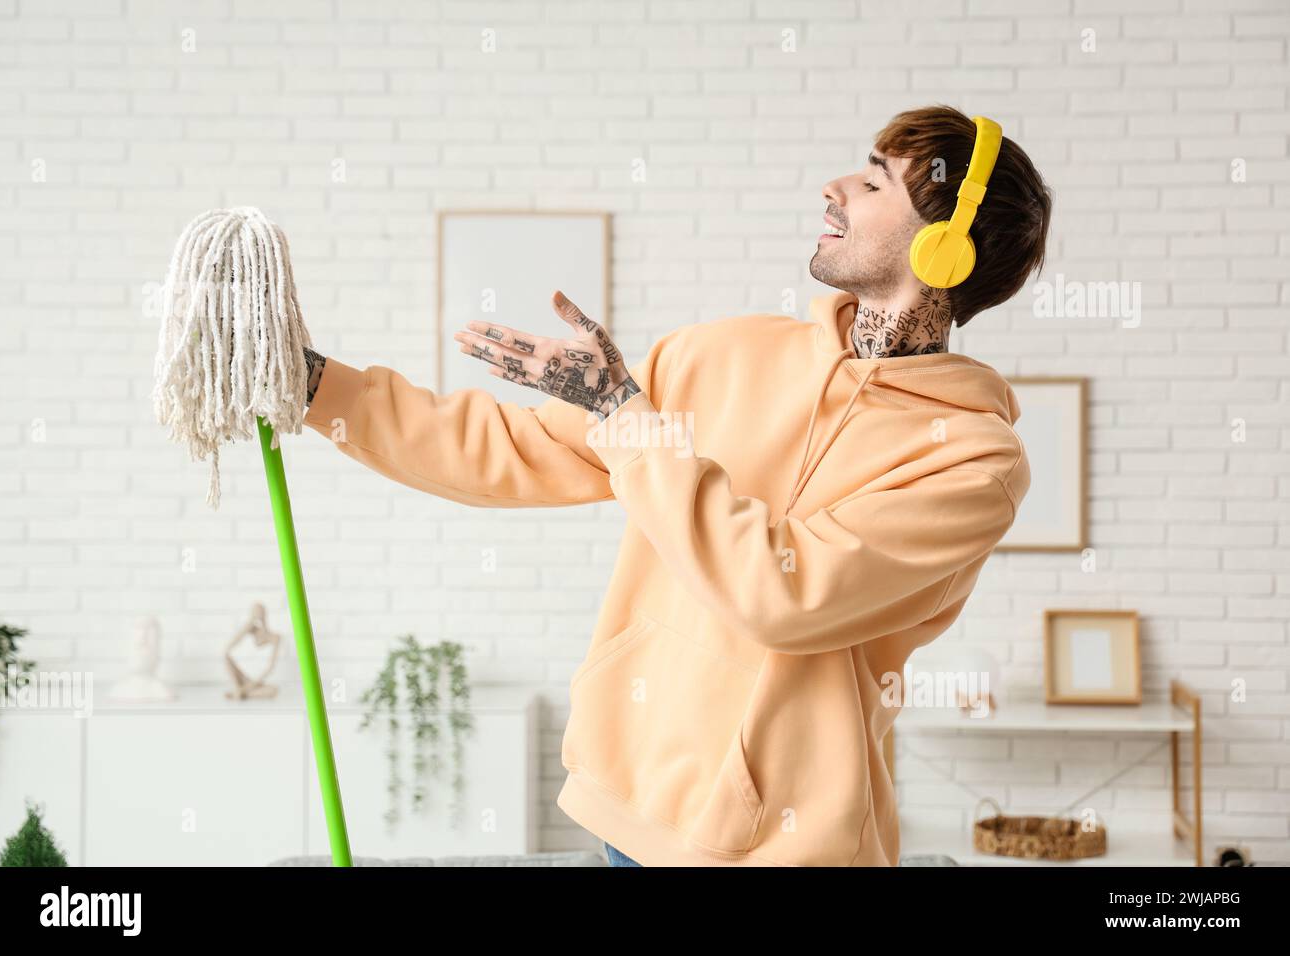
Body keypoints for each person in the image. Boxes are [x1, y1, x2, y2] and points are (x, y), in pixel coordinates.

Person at [300, 104, 1051, 867]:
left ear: (946, 246)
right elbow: (510, 447)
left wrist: (624, 414)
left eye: (870, 182)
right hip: (629, 811)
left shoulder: (970, 462)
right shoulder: (722, 355)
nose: (834, 189)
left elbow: (784, 595)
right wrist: (316, 391)